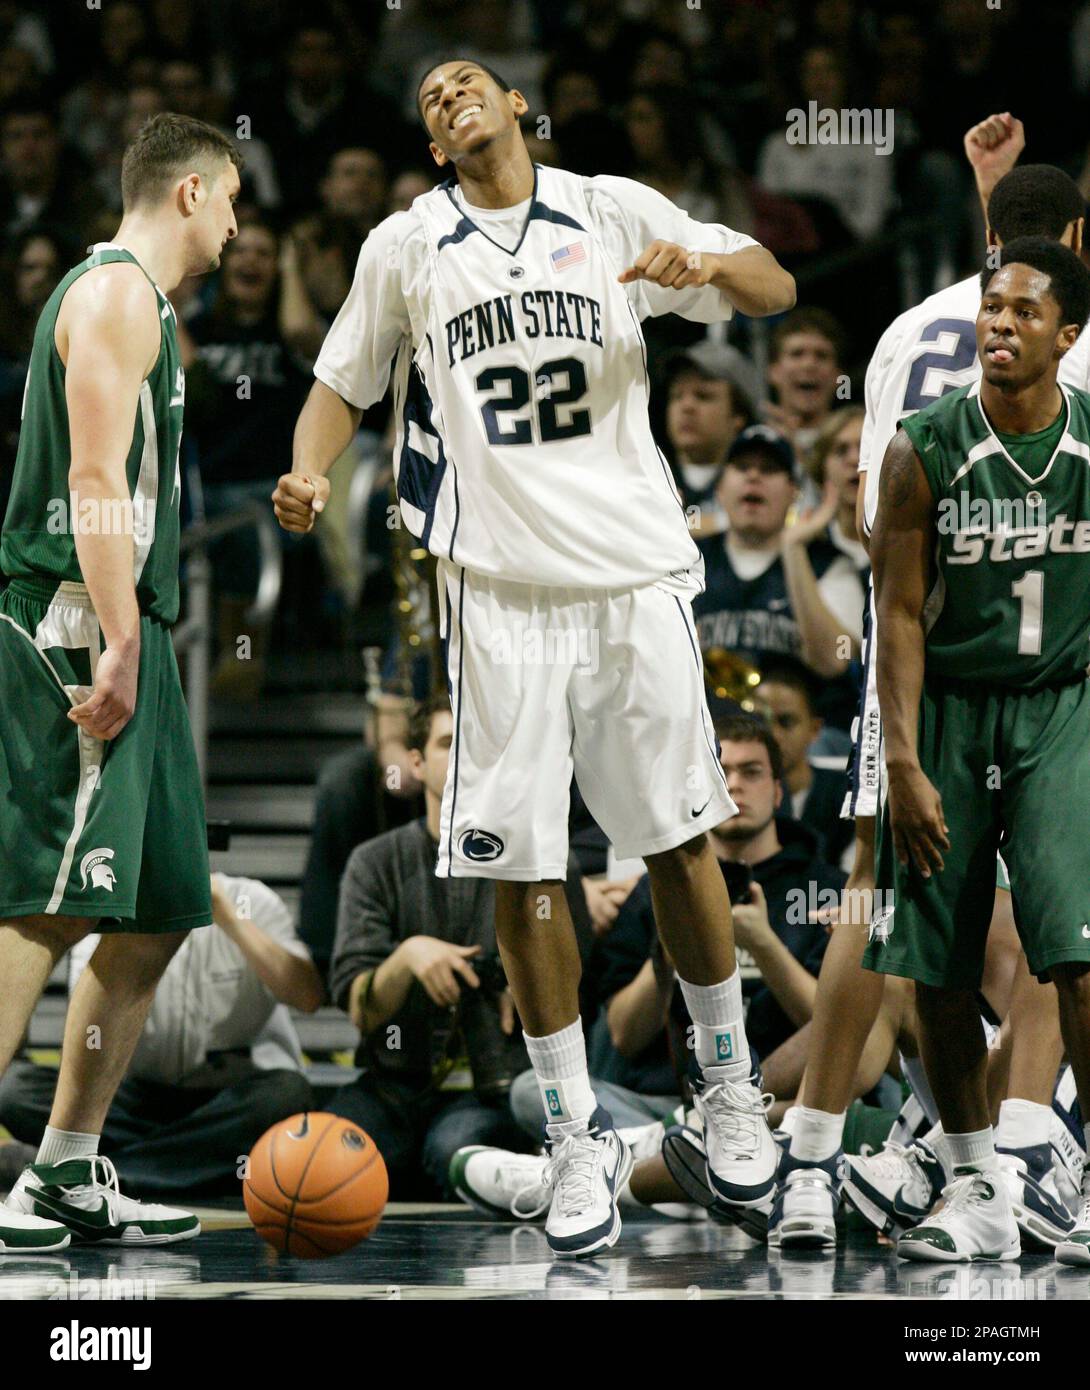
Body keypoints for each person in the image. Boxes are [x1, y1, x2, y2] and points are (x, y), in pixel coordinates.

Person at [274, 57, 796, 1259]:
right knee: (523, 871)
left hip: (632, 574)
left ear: (517, 107)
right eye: (426, 99)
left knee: (674, 837)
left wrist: (705, 263)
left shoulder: (612, 206)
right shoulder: (406, 245)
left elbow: (772, 286)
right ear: (434, 146)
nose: (448, 96)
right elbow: (334, 388)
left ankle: (725, 1090)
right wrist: (306, 471)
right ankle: (571, 1135)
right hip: (496, 593)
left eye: (469, 82)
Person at [769, 127, 1090, 1256]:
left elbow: (870, 518)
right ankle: (1025, 1143)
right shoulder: (1069, 343)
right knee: (1060, 916)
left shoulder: (909, 329)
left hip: (906, 656)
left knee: (881, 895)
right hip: (1025, 663)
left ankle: (815, 1150)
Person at [0, 111, 240, 1252]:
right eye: (233, 200)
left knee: (154, 911)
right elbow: (93, 480)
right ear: (190, 192)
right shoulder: (113, 295)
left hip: (120, 613)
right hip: (75, 622)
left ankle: (64, 1167)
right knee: (41, 909)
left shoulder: (148, 310)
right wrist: (116, 636)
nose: (239, 226)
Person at [862, 237, 1090, 1266]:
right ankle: (975, 1188)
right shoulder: (921, 447)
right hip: (949, 710)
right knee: (935, 972)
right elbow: (898, 616)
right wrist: (900, 763)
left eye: (1024, 312)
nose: (998, 324)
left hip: (1060, 707)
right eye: (991, 308)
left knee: (1075, 956)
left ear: (1067, 337)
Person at [326, 695, 553, 1197]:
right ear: (415, 762)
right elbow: (359, 1008)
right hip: (393, 1084)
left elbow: (580, 992)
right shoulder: (374, 862)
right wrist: (408, 957)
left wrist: (531, 982)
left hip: (495, 1089)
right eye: (448, 743)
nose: (462, 758)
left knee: (452, 1150)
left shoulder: (541, 862)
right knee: (324, 1165)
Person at [0, 874, 320, 1196]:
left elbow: (306, 996)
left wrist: (229, 916)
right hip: (135, 1101)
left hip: (226, 1100)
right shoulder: (112, 908)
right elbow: (96, 1028)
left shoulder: (252, 900)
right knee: (15, 1091)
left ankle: (107, 1174)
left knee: (287, 1095)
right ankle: (184, 1168)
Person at [755, 658, 853, 871]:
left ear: (815, 729)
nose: (773, 734)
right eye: (761, 720)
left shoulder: (846, 795)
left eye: (786, 722)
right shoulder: (734, 793)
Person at [659, 341, 758, 538]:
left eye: (703, 396)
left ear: (738, 415)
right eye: (677, 396)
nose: (686, 406)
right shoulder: (648, 474)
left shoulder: (760, 476)